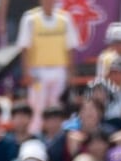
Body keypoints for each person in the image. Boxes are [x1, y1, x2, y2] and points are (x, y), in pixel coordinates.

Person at [16, 0, 79, 135]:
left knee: (57, 106)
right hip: (38, 71)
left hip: (59, 69)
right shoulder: (30, 18)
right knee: (37, 107)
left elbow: (70, 47)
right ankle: (35, 135)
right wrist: (26, 73)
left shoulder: (65, 18)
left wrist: (71, 73)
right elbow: (24, 48)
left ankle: (58, 136)